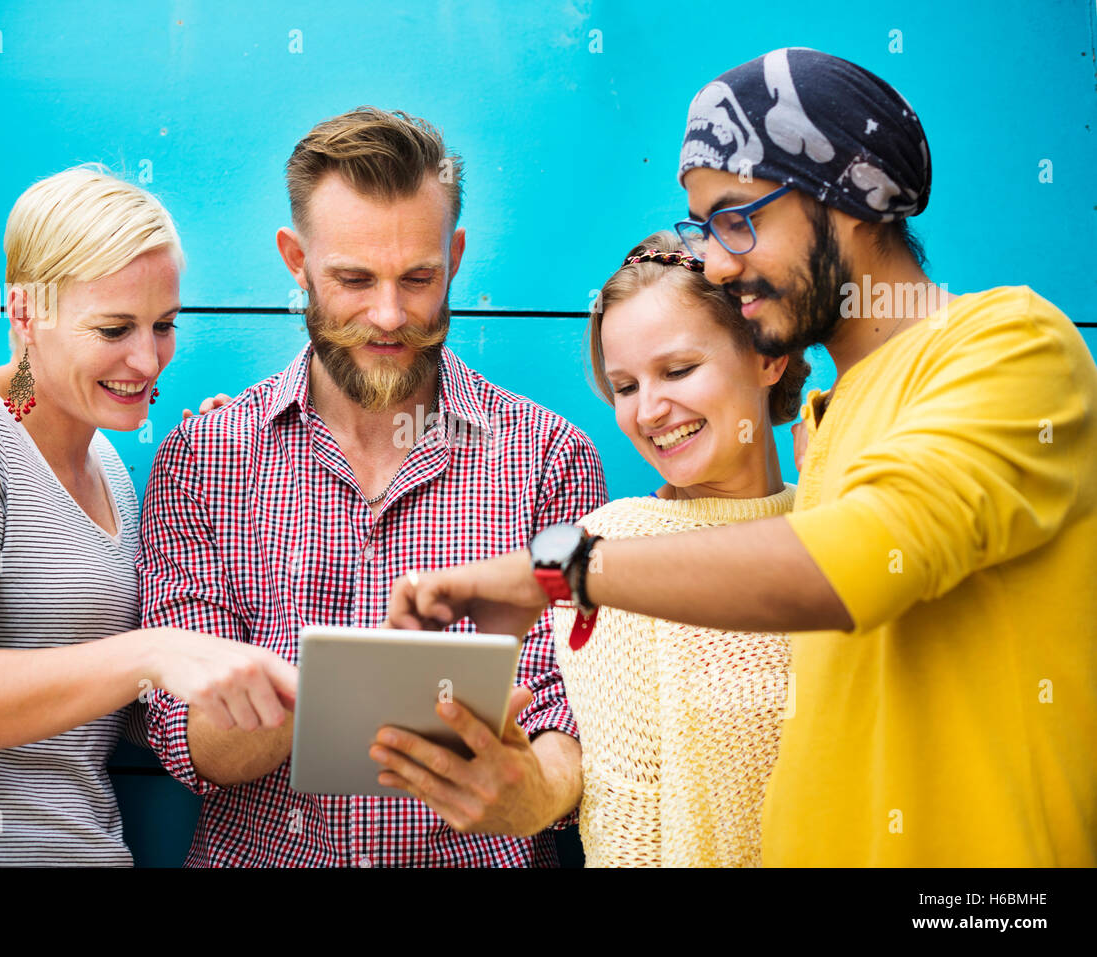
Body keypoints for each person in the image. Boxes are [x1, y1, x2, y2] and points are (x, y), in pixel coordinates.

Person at [385, 48, 1097, 867]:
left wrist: (554, 569)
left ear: (853, 195)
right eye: (704, 228)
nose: (719, 262)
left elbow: (859, 557)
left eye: (737, 217)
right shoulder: (829, 422)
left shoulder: (1011, 345)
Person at [138, 107, 607, 867]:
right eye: (353, 279)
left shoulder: (550, 458)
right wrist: (364, 679)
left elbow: (569, 711)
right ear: (297, 260)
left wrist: (538, 793)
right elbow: (193, 746)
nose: (389, 316)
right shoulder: (204, 458)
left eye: (418, 278)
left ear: (455, 257)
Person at [0, 165, 295, 867]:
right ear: (25, 313)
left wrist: (232, 472)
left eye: (163, 325)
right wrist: (155, 652)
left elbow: (121, 706)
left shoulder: (109, 470)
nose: (147, 359)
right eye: (114, 328)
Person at [541, 232, 807, 867]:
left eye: (678, 370)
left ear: (769, 356)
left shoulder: (839, 525)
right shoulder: (608, 553)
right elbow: (627, 826)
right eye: (625, 386)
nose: (649, 411)